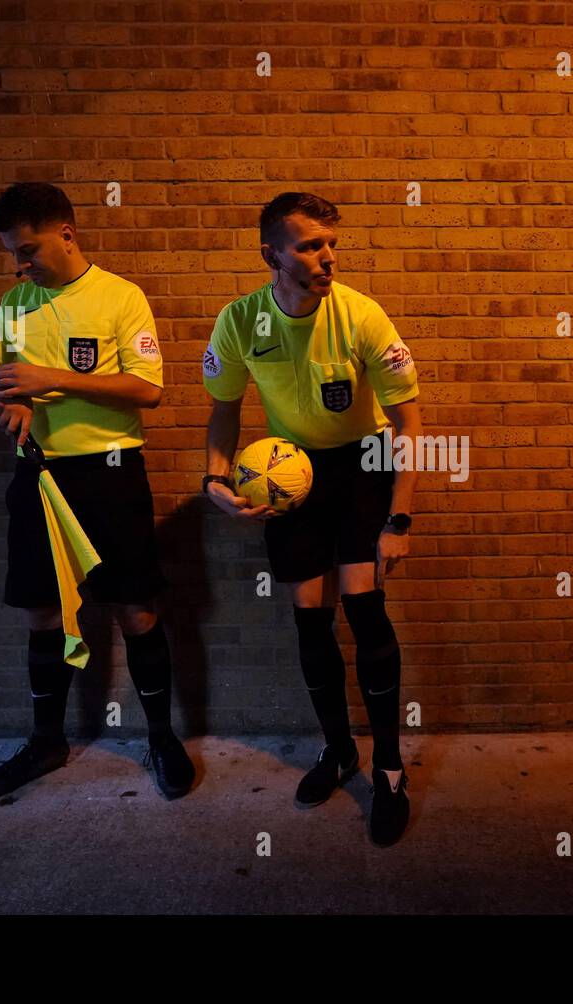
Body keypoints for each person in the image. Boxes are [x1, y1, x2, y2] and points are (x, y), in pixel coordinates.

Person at [0, 181, 195, 800]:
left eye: (28, 249)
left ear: (66, 234)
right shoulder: (15, 303)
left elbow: (148, 389)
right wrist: (9, 389)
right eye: (13, 253)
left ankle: (161, 738)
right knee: (43, 611)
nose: (20, 264)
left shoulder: (120, 296)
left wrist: (49, 379)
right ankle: (47, 742)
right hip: (38, 476)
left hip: (111, 474)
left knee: (136, 609)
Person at [202, 192, 422, 845]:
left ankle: (389, 768)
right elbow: (224, 409)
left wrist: (400, 520)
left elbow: (409, 423)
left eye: (331, 244)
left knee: (364, 608)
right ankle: (339, 750)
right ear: (271, 254)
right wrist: (214, 478)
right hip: (290, 474)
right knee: (310, 618)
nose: (326, 257)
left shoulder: (361, 315)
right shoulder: (240, 321)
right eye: (308, 246)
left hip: (362, 467)